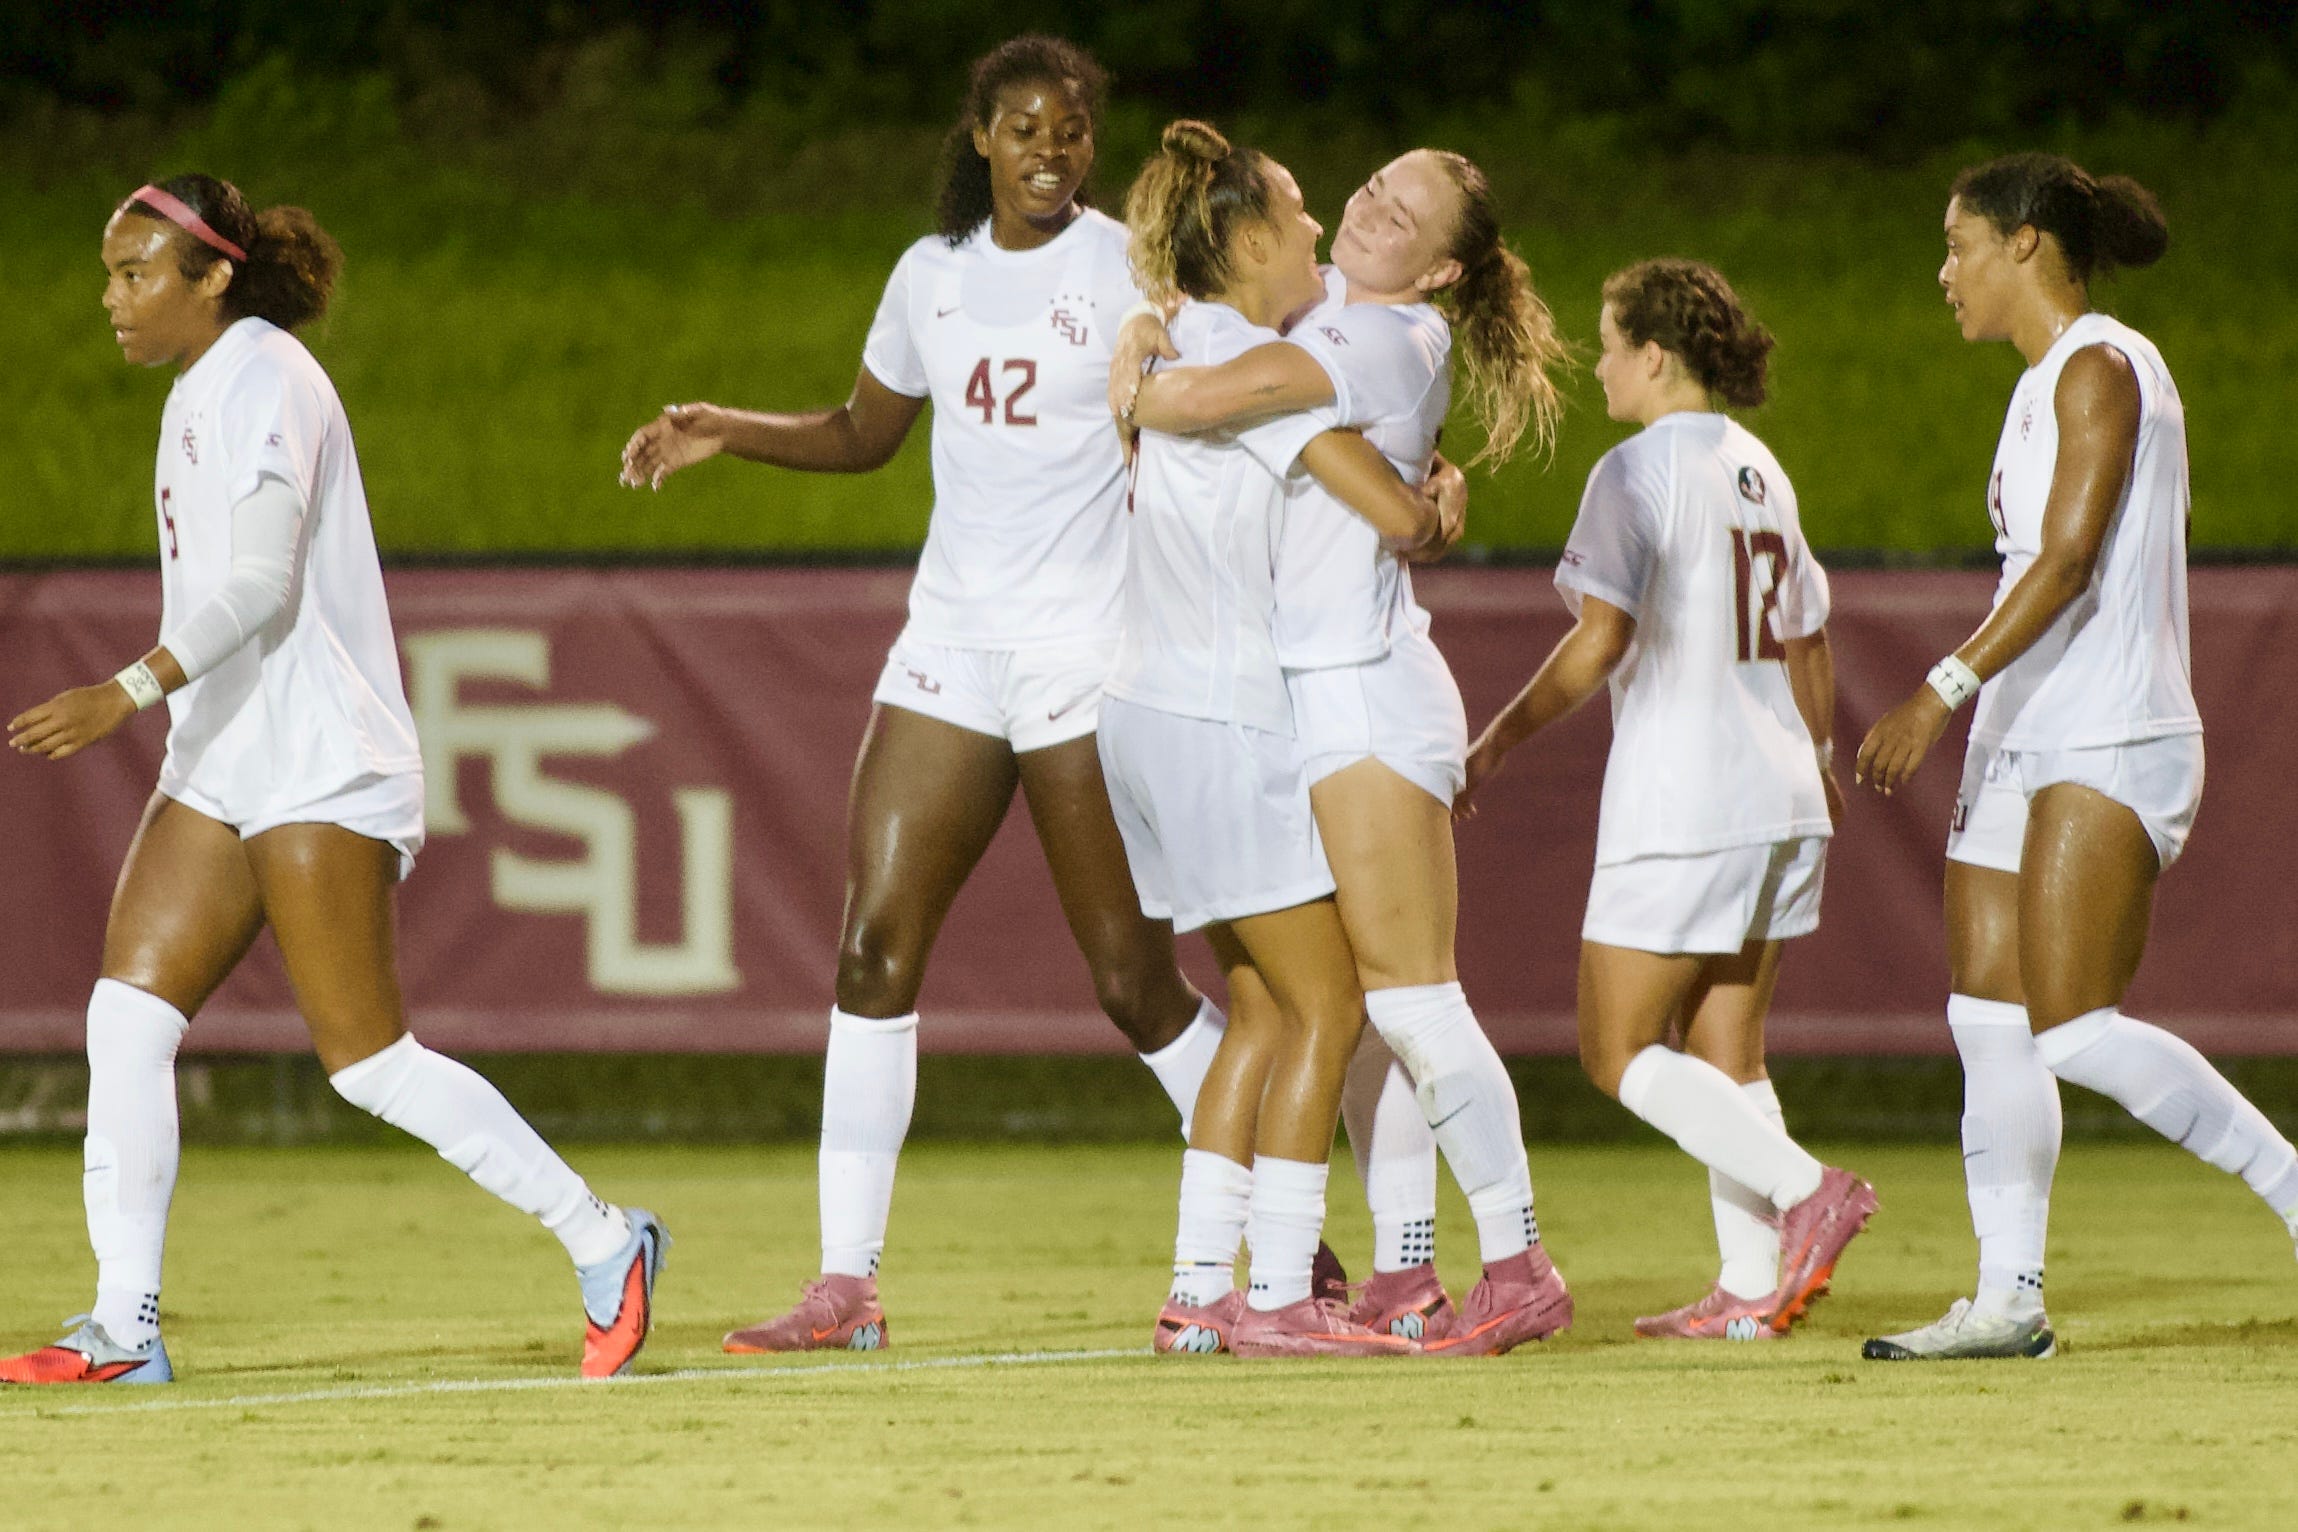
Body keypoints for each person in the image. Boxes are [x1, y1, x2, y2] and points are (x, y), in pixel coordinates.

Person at [618, 37, 1230, 1353]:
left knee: (1130, 980)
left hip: (1083, 652)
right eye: (1024, 129)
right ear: (980, 138)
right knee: (869, 951)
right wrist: (728, 426)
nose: (1051, 150)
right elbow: (864, 434)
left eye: (1071, 129)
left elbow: (1225, 394)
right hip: (951, 647)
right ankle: (845, 1286)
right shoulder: (929, 277)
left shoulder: (1129, 264)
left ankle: (1276, 1227)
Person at [0, 175, 665, 1386]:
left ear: (212, 279)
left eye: (136, 272)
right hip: (224, 753)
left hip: (315, 750)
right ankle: (124, 1326)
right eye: (108, 271)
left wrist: (126, 689)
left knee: (367, 1061)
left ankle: (605, 1237)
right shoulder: (204, 385)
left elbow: (263, 585)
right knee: (126, 1018)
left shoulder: (266, 376)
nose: (112, 297)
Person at [1113, 148, 1574, 1354]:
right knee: (1352, 1008)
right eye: (1373, 183)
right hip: (1300, 701)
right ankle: (1401, 1274)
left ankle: (1515, 1258)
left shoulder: (1382, 337)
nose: (1368, 204)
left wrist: (1143, 382)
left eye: (1404, 211)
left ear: (1443, 266)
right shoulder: (1335, 320)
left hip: (1361, 695)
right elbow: (1224, 344)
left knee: (1408, 999)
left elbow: (1221, 396)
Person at [1857, 154, 2298, 1362]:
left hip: (2110, 729)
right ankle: (2009, 1300)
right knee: (1986, 1017)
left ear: (2027, 243)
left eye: (1958, 245)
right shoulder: (2038, 383)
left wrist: (1940, 688)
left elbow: (2065, 560)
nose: (1943, 273)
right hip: (2029, 733)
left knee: (2072, 1027)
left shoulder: (2103, 362)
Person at [1458, 259, 1877, 1339]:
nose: (1599, 363)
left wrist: (1500, 731)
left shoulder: (1636, 468)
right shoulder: (1759, 464)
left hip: (1687, 793)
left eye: (1607, 343)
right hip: (1781, 786)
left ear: (1653, 354)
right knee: (1727, 1053)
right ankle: (1750, 1287)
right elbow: (1807, 631)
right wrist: (1819, 750)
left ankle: (1805, 1190)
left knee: (1616, 1046)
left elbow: (1601, 638)